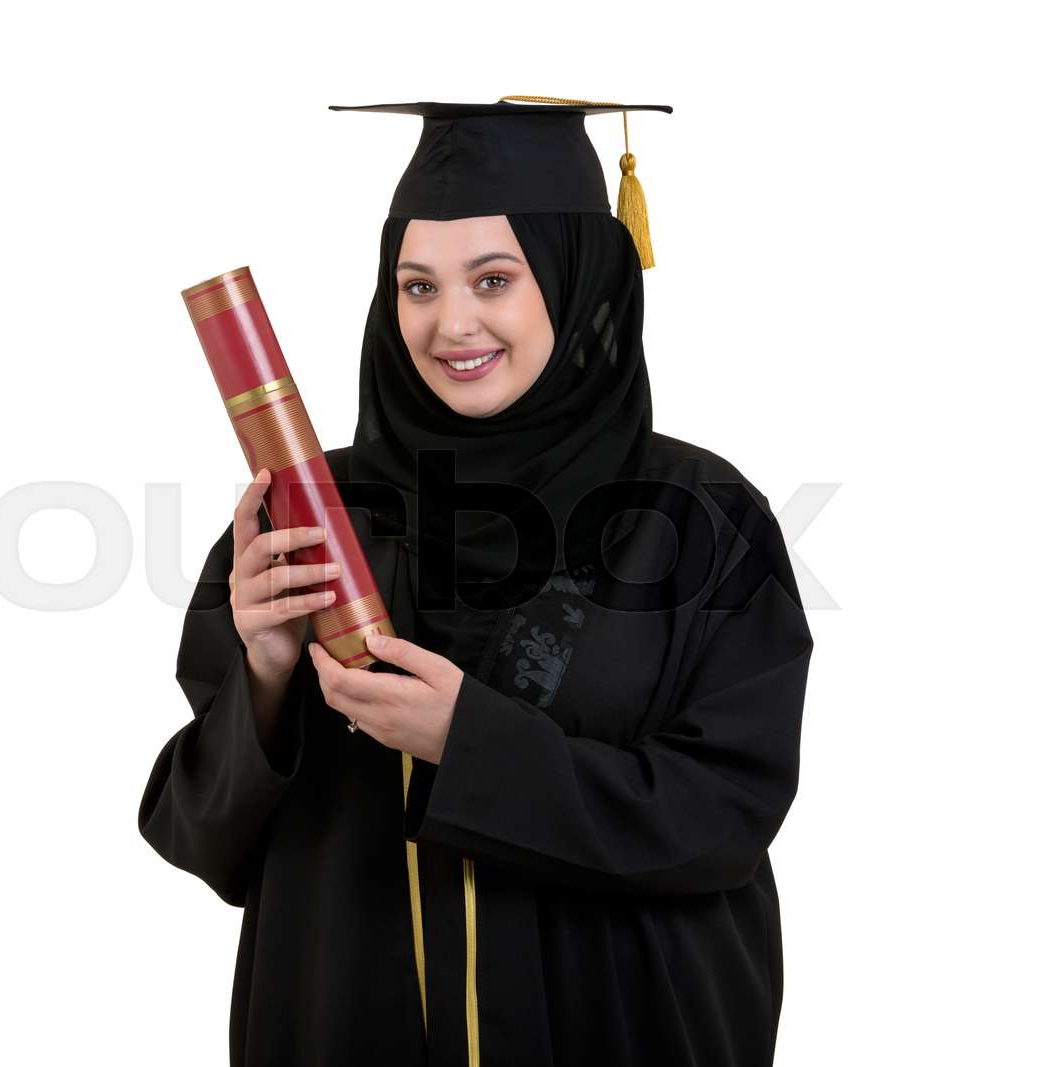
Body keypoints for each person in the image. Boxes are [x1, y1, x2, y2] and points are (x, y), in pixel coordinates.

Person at [138, 98, 815, 1067]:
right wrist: (267, 674)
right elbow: (200, 835)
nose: (450, 322)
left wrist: (471, 744)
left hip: (621, 1020)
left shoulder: (696, 516)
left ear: (577, 285)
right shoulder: (312, 514)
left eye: (493, 279)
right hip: (344, 1018)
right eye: (416, 286)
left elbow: (722, 820)